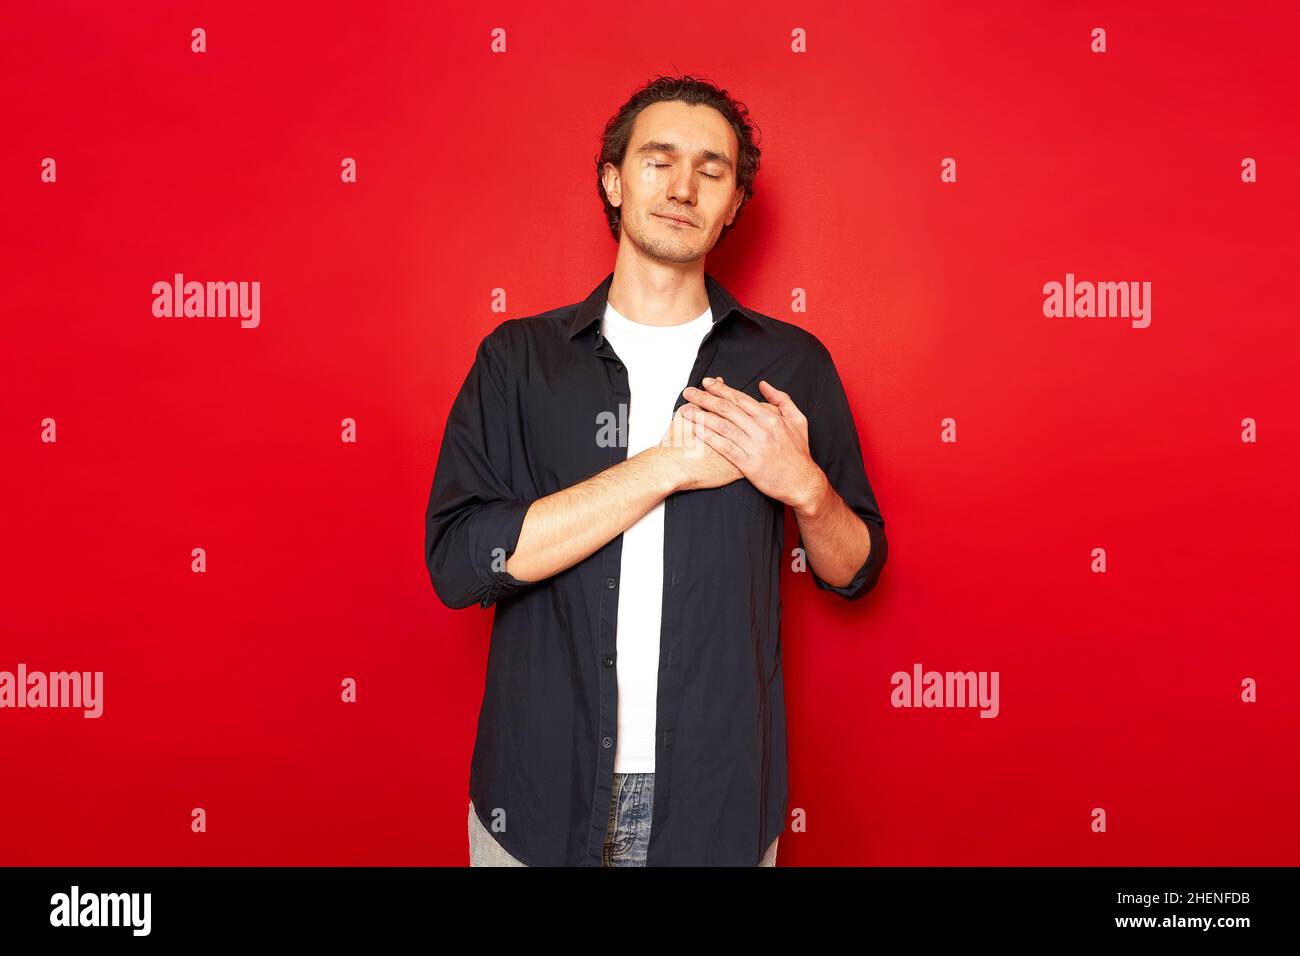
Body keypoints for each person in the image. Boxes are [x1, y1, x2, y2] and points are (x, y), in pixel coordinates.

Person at [426, 74, 888, 867]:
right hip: (537, 796)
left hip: (717, 803)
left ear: (734, 202)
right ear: (613, 178)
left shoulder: (790, 364)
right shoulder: (518, 361)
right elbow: (462, 565)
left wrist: (804, 486)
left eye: (712, 170)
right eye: (658, 160)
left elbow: (856, 570)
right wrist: (665, 468)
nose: (683, 187)